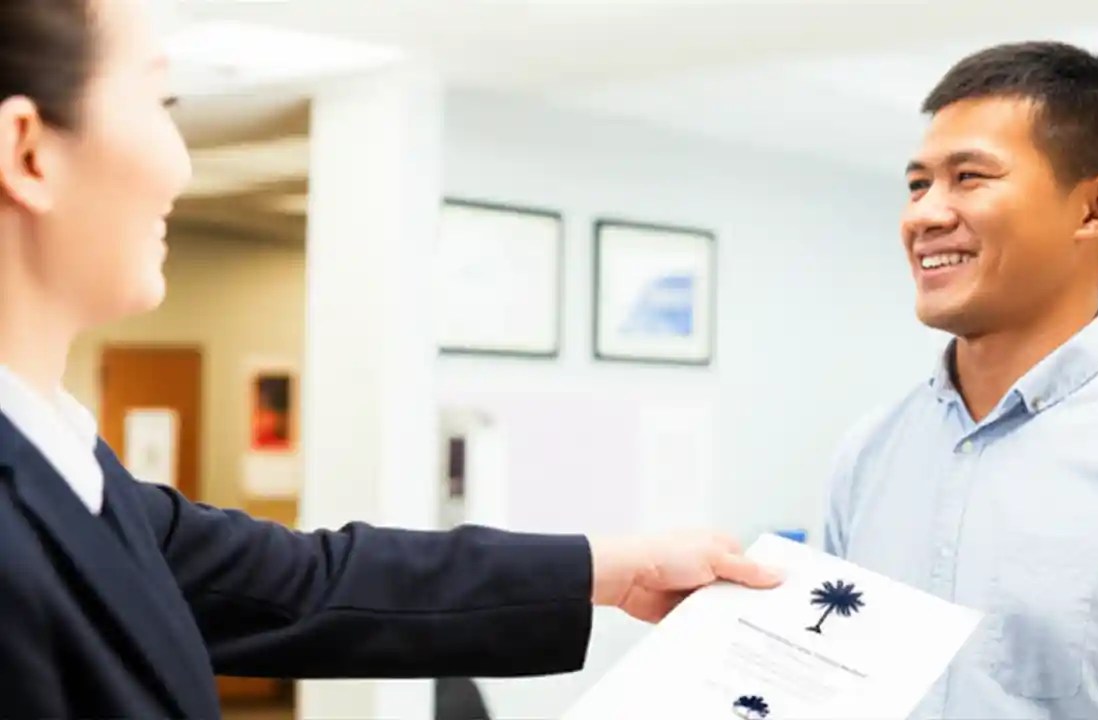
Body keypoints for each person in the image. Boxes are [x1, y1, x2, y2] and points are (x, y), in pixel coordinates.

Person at [0, 0, 781, 717]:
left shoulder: (71, 468)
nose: (182, 165)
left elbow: (308, 584)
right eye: (160, 105)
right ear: (28, 152)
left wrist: (613, 569)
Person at [824, 41, 1098, 719]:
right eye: (918, 184)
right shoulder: (870, 453)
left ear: (1096, 207)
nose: (923, 214)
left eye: (970, 176)